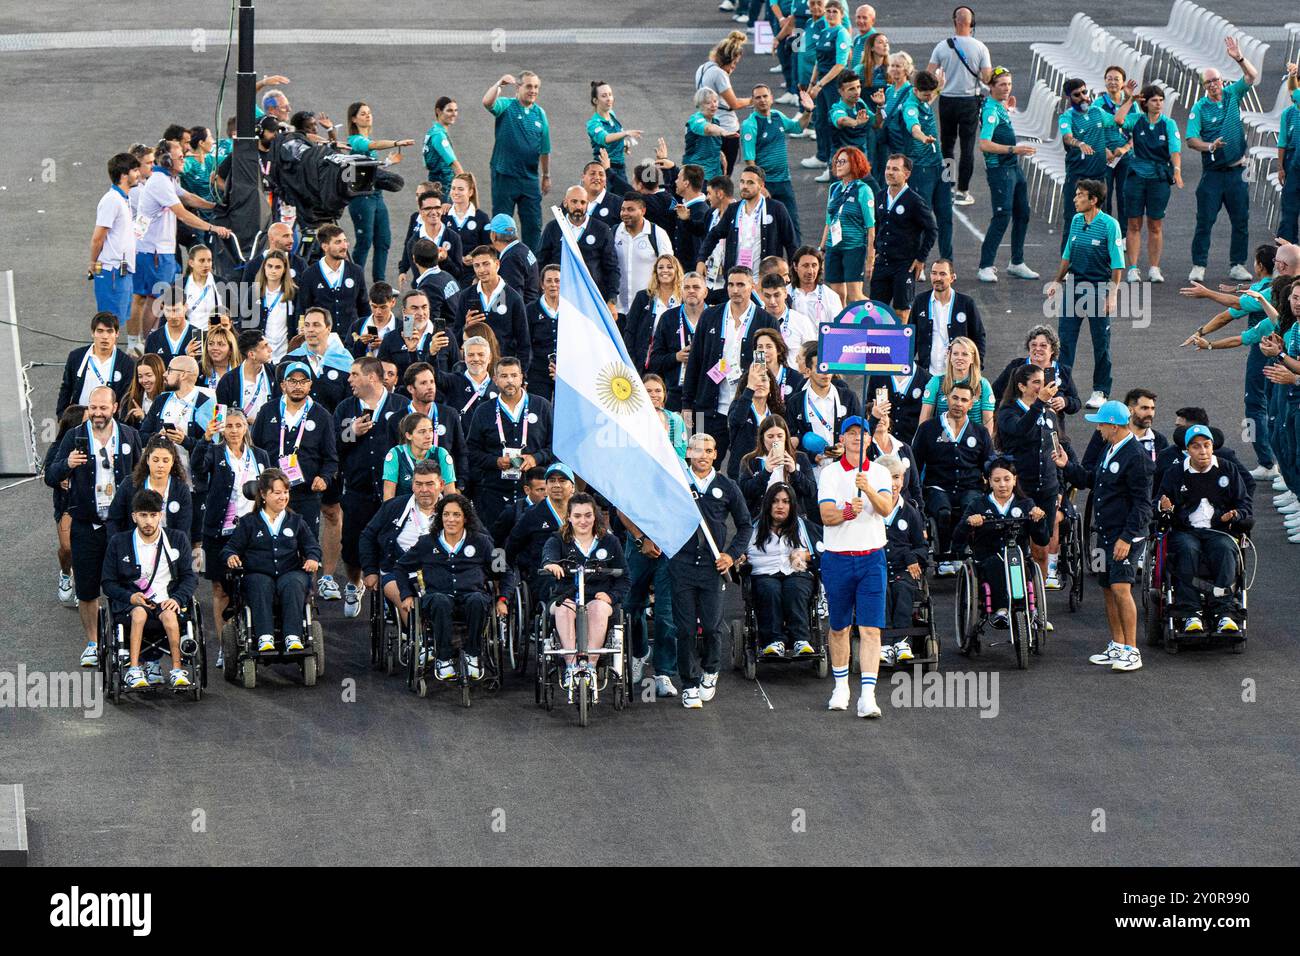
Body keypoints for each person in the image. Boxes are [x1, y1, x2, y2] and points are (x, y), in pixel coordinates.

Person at [47, 386, 142, 665]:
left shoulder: (129, 436)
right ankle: (93, 643)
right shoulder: (73, 436)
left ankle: (124, 642)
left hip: (121, 526)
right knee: (87, 589)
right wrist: (67, 463)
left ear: (114, 408)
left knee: (124, 585)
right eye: (93, 408)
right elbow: (50, 476)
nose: (97, 413)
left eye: (103, 408)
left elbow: (140, 474)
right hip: (86, 525)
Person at [1180, 245, 1284, 478]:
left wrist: (1207, 295)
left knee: (1259, 407)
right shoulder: (1277, 285)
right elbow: (1229, 313)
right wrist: (1202, 333)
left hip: (1264, 354)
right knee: (1272, 407)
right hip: (1269, 351)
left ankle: (1269, 463)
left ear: (1258, 265)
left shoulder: (1265, 294)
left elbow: (1234, 309)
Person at [817, 415, 893, 717]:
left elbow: (885, 509)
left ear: (869, 440)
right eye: (850, 433)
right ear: (842, 440)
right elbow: (826, 515)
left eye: (862, 433)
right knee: (839, 627)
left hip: (872, 557)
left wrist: (869, 489)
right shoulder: (830, 474)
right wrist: (848, 510)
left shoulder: (879, 472)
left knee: (871, 629)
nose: (856, 438)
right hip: (837, 558)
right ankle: (840, 687)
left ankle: (868, 695)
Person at [671, 434, 751, 709]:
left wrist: (730, 555)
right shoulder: (679, 483)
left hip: (712, 568)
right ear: (688, 453)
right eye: (697, 450)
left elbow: (745, 525)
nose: (702, 455)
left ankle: (711, 670)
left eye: (708, 450)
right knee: (684, 629)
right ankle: (689, 684)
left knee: (713, 625)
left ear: (716, 454)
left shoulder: (727, 486)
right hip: (681, 566)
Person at [129, 138, 230, 354]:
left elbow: (189, 198)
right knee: (157, 298)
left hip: (158, 250)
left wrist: (215, 206)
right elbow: (183, 213)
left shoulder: (168, 179)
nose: (184, 159)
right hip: (155, 251)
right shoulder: (160, 182)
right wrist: (213, 228)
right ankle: (149, 345)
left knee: (155, 297)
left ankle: (146, 343)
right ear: (166, 160)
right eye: (180, 157)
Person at [1080, 400, 1153, 672]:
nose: (1097, 429)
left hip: (1125, 537)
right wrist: (1066, 466)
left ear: (1113, 425)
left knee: (1122, 589)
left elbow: (1143, 505)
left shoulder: (1136, 457)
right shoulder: (1109, 449)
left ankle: (1132, 651)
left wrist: (1127, 537)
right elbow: (1092, 480)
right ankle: (1117, 645)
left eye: (1100, 424)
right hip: (1105, 534)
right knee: (1108, 589)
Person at [101, 489, 198, 690]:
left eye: (153, 515)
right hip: (132, 603)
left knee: (171, 616)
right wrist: (129, 597)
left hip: (166, 600)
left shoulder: (177, 539)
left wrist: (178, 599)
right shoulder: (119, 542)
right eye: (143, 515)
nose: (148, 521)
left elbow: (190, 577)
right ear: (134, 516)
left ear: (160, 516)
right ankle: (134, 670)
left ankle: (177, 670)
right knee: (138, 615)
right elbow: (108, 583)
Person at [1157, 424, 1250, 634]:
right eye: (1197, 447)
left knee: (1226, 548)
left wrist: (1235, 514)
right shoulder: (1175, 472)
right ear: (1188, 450)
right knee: (1187, 549)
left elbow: (1244, 504)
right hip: (1185, 531)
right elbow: (1159, 503)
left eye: (1207, 446)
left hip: (1218, 530)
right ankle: (1190, 613)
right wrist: (1164, 508)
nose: (1203, 451)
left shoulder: (1227, 469)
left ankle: (1224, 612)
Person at [395, 493, 496, 681]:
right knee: (440, 601)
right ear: (440, 517)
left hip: (471, 595)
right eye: (446, 514)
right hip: (438, 597)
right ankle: (443, 658)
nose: (450, 519)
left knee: (478, 599)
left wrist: (503, 599)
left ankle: (472, 654)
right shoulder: (426, 542)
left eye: (456, 515)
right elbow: (400, 566)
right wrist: (406, 594)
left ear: (465, 517)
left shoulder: (482, 541)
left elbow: (505, 571)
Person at [1046, 178, 1126, 409]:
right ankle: (1060, 390)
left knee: (1101, 343)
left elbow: (1118, 264)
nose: (1075, 199)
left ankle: (1101, 390)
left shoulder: (1110, 225)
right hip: (1073, 287)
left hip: (1099, 288)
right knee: (1064, 342)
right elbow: (1068, 255)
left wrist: (1112, 295)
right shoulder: (1076, 220)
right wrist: (1057, 281)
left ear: (1093, 200)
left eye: (1080, 195)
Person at [223, 468, 321, 654]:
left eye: (285, 492)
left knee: (293, 583)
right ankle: (264, 636)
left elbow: (312, 547)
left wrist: (312, 558)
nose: (283, 497)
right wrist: (231, 556)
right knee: (260, 584)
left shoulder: (296, 521)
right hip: (259, 573)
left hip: (290, 572)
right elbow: (230, 548)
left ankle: (293, 636)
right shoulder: (249, 522)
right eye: (277, 493)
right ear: (263, 494)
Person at [1185, 38, 1259, 283]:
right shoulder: (1200, 108)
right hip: (1213, 173)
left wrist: (1239, 57)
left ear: (1221, 81)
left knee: (1241, 220)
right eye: (1209, 82)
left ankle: (1237, 264)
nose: (1214, 85)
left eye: (1216, 80)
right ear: (1204, 86)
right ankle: (1199, 265)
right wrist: (1210, 146)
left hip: (1236, 172)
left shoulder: (1231, 95)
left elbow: (1252, 76)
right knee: (1205, 220)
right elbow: (1191, 139)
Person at [334, 356, 402, 617]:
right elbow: (333, 446)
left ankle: (390, 592)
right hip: (357, 491)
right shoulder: (344, 408)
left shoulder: (401, 406)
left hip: (393, 491)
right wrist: (351, 432)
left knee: (392, 545)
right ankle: (354, 584)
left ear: (372, 377)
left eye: (354, 374)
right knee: (351, 547)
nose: (349, 379)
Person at [681, 267, 773, 463]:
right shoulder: (710, 315)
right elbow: (695, 361)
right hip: (709, 406)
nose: (735, 290)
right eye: (731, 284)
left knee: (745, 466)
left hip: (747, 409)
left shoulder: (766, 320)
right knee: (700, 462)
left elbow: (772, 363)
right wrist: (687, 404)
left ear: (752, 286)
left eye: (741, 284)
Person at [540, 493, 630, 687]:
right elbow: (548, 556)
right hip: (566, 596)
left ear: (595, 516)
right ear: (569, 517)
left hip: (599, 598)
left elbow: (624, 578)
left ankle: (590, 667)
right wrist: (550, 565)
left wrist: (611, 596)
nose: (583, 521)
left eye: (588, 515)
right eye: (578, 516)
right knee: (564, 608)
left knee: (597, 608)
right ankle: (571, 666)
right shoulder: (558, 539)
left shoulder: (610, 541)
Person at [951, 456, 1045, 628]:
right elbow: (957, 539)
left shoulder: (1025, 504)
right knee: (996, 563)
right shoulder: (978, 505)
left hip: (1018, 557)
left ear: (1015, 480)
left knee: (1020, 564)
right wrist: (969, 523)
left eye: (1007, 479)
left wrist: (1039, 520)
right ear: (988, 481)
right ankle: (1001, 609)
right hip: (988, 559)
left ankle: (1028, 609)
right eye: (997, 480)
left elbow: (1042, 539)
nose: (1003, 484)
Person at [250, 361, 338, 540]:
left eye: (303, 381)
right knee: (269, 543)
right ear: (283, 385)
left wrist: (324, 478)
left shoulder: (322, 416)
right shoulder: (268, 411)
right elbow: (254, 450)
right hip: (270, 493)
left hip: (306, 494)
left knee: (306, 546)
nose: (298, 386)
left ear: (310, 384)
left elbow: (331, 458)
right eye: (293, 381)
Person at [465, 357, 554, 529]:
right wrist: (495, 461)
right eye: (504, 376)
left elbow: (555, 446)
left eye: (514, 375)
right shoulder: (484, 410)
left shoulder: (542, 406)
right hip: (494, 495)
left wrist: (536, 458)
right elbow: (471, 451)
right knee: (497, 550)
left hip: (534, 494)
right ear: (495, 379)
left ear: (521, 377)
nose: (510, 381)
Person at [995, 364, 1063, 580]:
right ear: (1021, 386)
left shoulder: (1048, 414)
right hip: (1021, 489)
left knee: (1042, 547)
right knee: (1017, 546)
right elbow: (1020, 430)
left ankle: (1039, 604)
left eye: (1043, 382)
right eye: (1036, 383)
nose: (1042, 387)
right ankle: (1017, 594)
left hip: (1047, 488)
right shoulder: (1007, 412)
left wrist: (1059, 485)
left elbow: (1055, 450)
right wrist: (1040, 403)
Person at [360, 459, 445, 627]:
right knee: (404, 598)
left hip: (443, 570)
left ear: (441, 484)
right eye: (419, 484)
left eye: (430, 484)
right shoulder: (394, 506)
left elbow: (479, 538)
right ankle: (419, 643)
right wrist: (370, 570)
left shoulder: (456, 509)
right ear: (412, 485)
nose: (424, 490)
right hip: (398, 569)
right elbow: (367, 535)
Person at [912, 381, 992, 558]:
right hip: (938, 487)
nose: (958, 403)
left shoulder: (980, 432)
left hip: (970, 487)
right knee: (943, 513)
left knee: (970, 510)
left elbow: (989, 466)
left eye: (964, 400)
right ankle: (945, 553)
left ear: (971, 404)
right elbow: (915, 465)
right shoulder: (928, 429)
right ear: (947, 398)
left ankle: (962, 551)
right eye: (955, 398)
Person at [1114, 81, 1183, 283]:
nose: (1159, 103)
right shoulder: (1136, 120)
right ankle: (1133, 268)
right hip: (1136, 176)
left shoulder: (1168, 124)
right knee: (1133, 223)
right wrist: (1129, 99)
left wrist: (1177, 170)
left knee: (1155, 224)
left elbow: (1175, 150)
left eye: (1161, 100)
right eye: (1154, 100)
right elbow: (1119, 120)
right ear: (1145, 103)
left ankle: (1154, 268)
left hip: (1158, 178)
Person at [976, 67, 1038, 283]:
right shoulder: (991, 110)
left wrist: (1007, 108)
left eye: (1009, 84)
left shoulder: (997, 105)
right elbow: (984, 144)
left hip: (1013, 168)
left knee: (1023, 213)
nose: (1007, 88)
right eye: (1002, 84)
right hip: (1000, 169)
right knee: (1002, 215)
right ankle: (985, 265)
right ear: (991, 86)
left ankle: (1017, 262)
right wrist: (1014, 149)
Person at [744, 482, 818, 658]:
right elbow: (740, 554)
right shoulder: (752, 529)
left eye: (785, 501)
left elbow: (824, 551)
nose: (780, 506)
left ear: (792, 505)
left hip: (796, 572)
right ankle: (773, 641)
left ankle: (801, 640)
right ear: (768, 504)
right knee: (770, 590)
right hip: (764, 574)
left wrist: (804, 555)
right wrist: (740, 559)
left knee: (795, 589)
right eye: (775, 501)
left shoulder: (803, 526)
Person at [927, 5, 992, 206]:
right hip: (969, 101)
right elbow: (987, 76)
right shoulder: (980, 47)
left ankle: (947, 185)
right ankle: (963, 190)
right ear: (972, 23)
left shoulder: (942, 46)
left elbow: (929, 74)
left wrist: (940, 80)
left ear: (955, 21)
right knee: (967, 147)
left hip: (947, 99)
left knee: (947, 145)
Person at [345, 101, 414, 283]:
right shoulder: (355, 140)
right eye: (362, 113)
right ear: (353, 119)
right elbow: (372, 145)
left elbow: (370, 169)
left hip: (376, 196)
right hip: (361, 198)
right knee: (364, 242)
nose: (368, 115)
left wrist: (388, 163)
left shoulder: (365, 141)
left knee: (383, 240)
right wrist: (396, 143)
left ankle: (380, 284)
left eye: (369, 112)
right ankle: (354, 283)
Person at [484, 71, 552, 253]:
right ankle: (501, 264)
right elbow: (487, 102)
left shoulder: (540, 114)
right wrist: (499, 83)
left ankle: (531, 267)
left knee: (533, 226)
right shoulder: (507, 106)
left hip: (529, 179)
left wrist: (546, 175)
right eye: (529, 86)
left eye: (536, 87)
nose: (533, 90)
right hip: (504, 176)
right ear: (518, 87)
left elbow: (545, 149)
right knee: (501, 225)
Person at [695, 165, 797, 283]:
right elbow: (714, 234)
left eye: (750, 183)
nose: (745, 186)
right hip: (737, 281)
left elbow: (791, 243)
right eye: (742, 182)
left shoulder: (776, 209)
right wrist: (701, 259)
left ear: (761, 185)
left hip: (765, 281)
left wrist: (793, 274)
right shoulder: (734, 209)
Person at [891, 69, 952, 262]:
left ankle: (947, 261)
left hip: (940, 166)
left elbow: (929, 99)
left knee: (946, 216)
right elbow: (914, 125)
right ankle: (917, 260)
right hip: (921, 168)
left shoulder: (923, 100)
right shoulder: (910, 106)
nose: (930, 97)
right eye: (926, 94)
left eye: (931, 93)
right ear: (916, 90)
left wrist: (939, 89)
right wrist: (923, 137)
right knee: (922, 218)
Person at [740, 84, 812, 242]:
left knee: (792, 225)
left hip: (784, 181)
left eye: (765, 96)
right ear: (752, 101)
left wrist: (808, 111)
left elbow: (798, 128)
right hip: (766, 184)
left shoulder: (778, 116)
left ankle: (796, 264)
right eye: (758, 97)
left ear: (771, 98)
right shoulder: (750, 125)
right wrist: (760, 187)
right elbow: (749, 160)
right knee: (766, 229)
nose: (762, 100)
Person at [870, 154, 937, 322]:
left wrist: (921, 258)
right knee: (876, 312)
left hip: (903, 265)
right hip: (882, 263)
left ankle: (900, 348)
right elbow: (878, 225)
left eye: (895, 169)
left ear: (906, 174)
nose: (889, 173)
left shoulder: (914, 201)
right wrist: (875, 249)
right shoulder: (880, 196)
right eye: (887, 168)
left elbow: (932, 229)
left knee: (901, 312)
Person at [877, 453, 926, 664]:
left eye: (897, 477)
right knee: (882, 589)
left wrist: (912, 557)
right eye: (887, 477)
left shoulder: (910, 512)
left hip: (902, 569)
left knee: (902, 587)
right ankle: (885, 643)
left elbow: (921, 547)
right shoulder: (870, 509)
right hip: (876, 567)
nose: (893, 483)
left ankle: (901, 641)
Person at [1057, 78, 1117, 252]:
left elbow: (1118, 121)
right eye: (1077, 95)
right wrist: (1079, 143)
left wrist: (1129, 99)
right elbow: (1067, 137)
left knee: (1101, 223)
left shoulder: (1097, 112)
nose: (1083, 97)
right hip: (1078, 179)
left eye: (1084, 92)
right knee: (1073, 222)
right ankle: (1067, 268)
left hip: (1099, 178)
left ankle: (1099, 267)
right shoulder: (1066, 117)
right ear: (1069, 97)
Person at [453, 245, 533, 369]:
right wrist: (466, 327)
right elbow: (455, 338)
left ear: (497, 264)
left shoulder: (513, 298)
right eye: (477, 265)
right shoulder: (466, 296)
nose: (481, 270)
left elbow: (524, 342)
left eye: (486, 264)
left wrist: (522, 374)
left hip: (502, 369)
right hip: (474, 368)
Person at [788, 339, 860, 469]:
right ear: (808, 371)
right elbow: (791, 439)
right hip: (811, 471)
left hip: (843, 468)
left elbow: (860, 431)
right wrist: (811, 456)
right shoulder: (796, 401)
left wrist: (844, 447)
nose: (825, 372)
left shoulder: (848, 397)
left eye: (828, 367)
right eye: (820, 368)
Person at [910, 257, 984, 381]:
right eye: (934, 273)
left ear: (952, 277)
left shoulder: (966, 303)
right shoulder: (920, 301)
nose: (937, 278)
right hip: (927, 374)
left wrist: (977, 366)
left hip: (958, 375)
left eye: (943, 274)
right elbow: (911, 336)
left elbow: (978, 336)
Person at [105, 434, 191, 539]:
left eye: (165, 460)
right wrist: (120, 547)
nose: (160, 465)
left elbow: (183, 529)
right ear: (147, 460)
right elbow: (114, 520)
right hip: (134, 547)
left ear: (173, 462)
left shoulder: (181, 489)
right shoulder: (130, 484)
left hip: (169, 549)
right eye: (155, 460)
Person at [989, 324, 1082, 419]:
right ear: (1028, 347)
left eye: (1043, 345)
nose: (1037, 348)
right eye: (1033, 344)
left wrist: (1065, 401)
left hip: (1051, 428)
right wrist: (1002, 417)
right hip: (1018, 424)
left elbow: (1077, 402)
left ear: (1053, 350)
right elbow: (994, 393)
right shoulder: (1016, 366)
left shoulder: (1062, 371)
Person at [737, 412, 818, 519]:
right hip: (761, 519)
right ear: (762, 438)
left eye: (780, 436)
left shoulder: (800, 458)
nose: (776, 440)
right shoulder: (750, 460)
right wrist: (766, 472)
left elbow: (811, 491)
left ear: (786, 437)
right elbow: (745, 493)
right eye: (770, 436)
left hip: (793, 520)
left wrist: (794, 472)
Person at [89, 152, 140, 323]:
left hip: (122, 271)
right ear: (124, 175)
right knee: (109, 321)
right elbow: (97, 238)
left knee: (119, 320)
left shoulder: (124, 199)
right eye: (135, 170)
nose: (138, 174)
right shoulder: (112, 200)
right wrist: (93, 264)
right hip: (111, 271)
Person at [647, 271, 708, 411]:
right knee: (679, 432)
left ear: (705, 292)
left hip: (704, 396)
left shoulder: (716, 318)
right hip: (676, 395)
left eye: (696, 287)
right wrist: (676, 357)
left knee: (699, 432)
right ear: (681, 292)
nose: (691, 291)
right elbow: (654, 361)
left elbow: (725, 358)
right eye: (686, 287)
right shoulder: (668, 318)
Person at [821, 146, 875, 304]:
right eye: (837, 161)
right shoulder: (834, 188)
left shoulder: (863, 190)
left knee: (855, 296)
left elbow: (871, 227)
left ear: (854, 164)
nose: (838, 164)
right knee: (836, 296)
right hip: (833, 247)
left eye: (843, 161)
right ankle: (844, 328)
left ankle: (881, 318)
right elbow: (828, 221)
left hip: (854, 247)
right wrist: (822, 248)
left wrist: (870, 258)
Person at [57, 311, 136, 417]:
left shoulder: (126, 363)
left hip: (108, 419)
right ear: (92, 333)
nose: (105, 336)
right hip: (80, 416)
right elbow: (66, 388)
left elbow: (126, 398)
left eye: (109, 331)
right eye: (100, 331)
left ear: (117, 334)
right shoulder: (76, 356)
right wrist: (61, 414)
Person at [695, 30, 751, 176]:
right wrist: (752, 100)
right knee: (724, 174)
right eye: (734, 63)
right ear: (727, 60)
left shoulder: (703, 68)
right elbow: (734, 103)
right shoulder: (719, 74)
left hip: (706, 125)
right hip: (726, 129)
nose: (734, 67)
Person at [806, 1, 852, 172]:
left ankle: (833, 165)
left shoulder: (841, 33)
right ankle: (822, 155)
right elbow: (819, 61)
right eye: (829, 11)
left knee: (833, 122)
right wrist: (812, 83)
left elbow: (840, 64)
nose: (831, 14)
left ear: (841, 14)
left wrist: (820, 83)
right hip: (821, 84)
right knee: (820, 120)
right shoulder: (824, 31)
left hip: (834, 84)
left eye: (835, 11)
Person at [298, 225, 370, 334]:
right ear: (325, 247)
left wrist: (371, 334)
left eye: (345, 241)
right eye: (338, 242)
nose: (344, 246)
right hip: (322, 340)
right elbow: (303, 308)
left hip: (351, 339)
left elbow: (364, 306)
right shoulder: (310, 274)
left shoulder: (356, 271)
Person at [139, 355, 213, 458]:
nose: (165, 374)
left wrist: (184, 440)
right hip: (164, 472)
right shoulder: (161, 400)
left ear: (182, 375)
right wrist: (159, 436)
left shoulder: (205, 404)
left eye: (169, 370)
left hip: (190, 471)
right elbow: (142, 436)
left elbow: (212, 447)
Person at [917, 336, 995, 433]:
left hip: (972, 442)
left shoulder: (983, 385)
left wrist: (985, 446)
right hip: (942, 440)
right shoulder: (936, 382)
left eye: (965, 354)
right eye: (955, 354)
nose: (959, 358)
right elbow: (924, 420)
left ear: (972, 358)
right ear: (950, 357)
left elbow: (988, 422)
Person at [614, 197, 675, 319]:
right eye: (623, 209)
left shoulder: (657, 234)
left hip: (648, 309)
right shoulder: (614, 232)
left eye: (630, 209)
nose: (625, 213)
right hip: (618, 310)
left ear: (643, 211)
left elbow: (669, 271)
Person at [726, 360, 787, 479]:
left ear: (771, 385)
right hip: (742, 472)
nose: (759, 384)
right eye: (754, 380)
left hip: (771, 471)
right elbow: (737, 421)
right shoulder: (738, 405)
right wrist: (750, 388)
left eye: (763, 380)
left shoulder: (776, 411)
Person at [397, 189, 463, 291]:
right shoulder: (414, 242)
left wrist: (446, 260)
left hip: (449, 294)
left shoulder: (454, 237)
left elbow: (458, 274)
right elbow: (419, 276)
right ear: (420, 211)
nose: (433, 212)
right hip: (425, 295)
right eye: (428, 208)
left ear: (441, 209)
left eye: (437, 207)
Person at [625, 255, 683, 370]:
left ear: (676, 271)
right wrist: (630, 358)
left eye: (669, 267)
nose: (665, 270)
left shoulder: (683, 299)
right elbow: (630, 330)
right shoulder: (643, 297)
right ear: (656, 271)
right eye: (661, 267)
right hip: (646, 361)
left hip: (674, 360)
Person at [382, 412, 457, 500]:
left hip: (434, 510)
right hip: (404, 510)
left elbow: (450, 494)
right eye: (422, 432)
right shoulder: (396, 454)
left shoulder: (441, 454)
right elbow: (388, 497)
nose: (429, 436)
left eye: (430, 430)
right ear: (409, 435)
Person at [758, 273, 818, 368]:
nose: (772, 301)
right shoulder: (755, 318)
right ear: (761, 295)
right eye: (768, 296)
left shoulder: (801, 321)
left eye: (777, 295)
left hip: (793, 379)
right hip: (762, 378)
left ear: (785, 293)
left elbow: (812, 354)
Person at [213, 329, 271, 425]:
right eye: (265, 346)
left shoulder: (274, 373)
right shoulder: (227, 381)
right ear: (252, 354)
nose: (270, 349)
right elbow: (219, 419)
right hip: (239, 436)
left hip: (269, 434)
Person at [587, 81, 642, 179]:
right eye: (604, 96)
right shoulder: (593, 124)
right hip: (604, 171)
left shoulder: (611, 114)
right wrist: (625, 133)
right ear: (595, 101)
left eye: (610, 95)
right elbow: (605, 138)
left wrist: (623, 144)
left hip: (620, 169)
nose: (609, 99)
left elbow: (614, 136)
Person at [444, 172, 492, 284]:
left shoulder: (481, 217)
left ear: (470, 192)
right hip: (446, 274)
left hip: (471, 276)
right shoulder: (443, 216)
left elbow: (489, 247)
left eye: (460, 189)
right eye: (453, 188)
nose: (455, 192)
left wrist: (474, 256)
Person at [250, 251, 298, 362]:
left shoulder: (294, 293)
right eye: (270, 266)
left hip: (285, 351)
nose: (273, 270)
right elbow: (246, 323)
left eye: (278, 267)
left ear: (285, 269)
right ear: (264, 267)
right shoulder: (253, 292)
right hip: (261, 353)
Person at [682, 88, 736, 180]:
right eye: (708, 103)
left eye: (715, 101)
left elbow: (711, 142)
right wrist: (724, 132)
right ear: (699, 105)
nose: (713, 105)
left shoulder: (716, 121)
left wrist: (720, 154)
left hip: (715, 172)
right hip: (697, 173)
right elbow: (708, 129)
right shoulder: (695, 120)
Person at [488, 214, 540, 305]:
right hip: (532, 306)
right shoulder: (522, 249)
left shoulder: (511, 259)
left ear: (494, 235)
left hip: (524, 313)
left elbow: (513, 296)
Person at [142, 286, 200, 367]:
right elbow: (150, 370)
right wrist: (185, 356)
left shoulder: (197, 335)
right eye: (168, 311)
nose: (172, 316)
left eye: (176, 310)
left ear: (185, 307)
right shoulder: (153, 338)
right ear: (162, 308)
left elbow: (203, 371)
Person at [672, 164, 712, 273]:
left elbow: (698, 248)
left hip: (689, 274)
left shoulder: (700, 211)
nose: (676, 181)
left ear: (686, 183)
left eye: (678, 178)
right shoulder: (686, 205)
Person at [790, 246, 844, 327]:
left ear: (820, 267)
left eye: (814, 265)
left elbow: (838, 329)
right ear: (795, 266)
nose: (810, 271)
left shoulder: (831, 297)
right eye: (805, 265)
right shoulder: (785, 293)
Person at [422, 96, 464, 195]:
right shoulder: (439, 135)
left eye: (456, 110)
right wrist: (465, 185)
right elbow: (454, 163)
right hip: (445, 186)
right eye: (449, 110)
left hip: (435, 183)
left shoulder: (431, 132)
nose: (454, 114)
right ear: (438, 111)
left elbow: (426, 163)